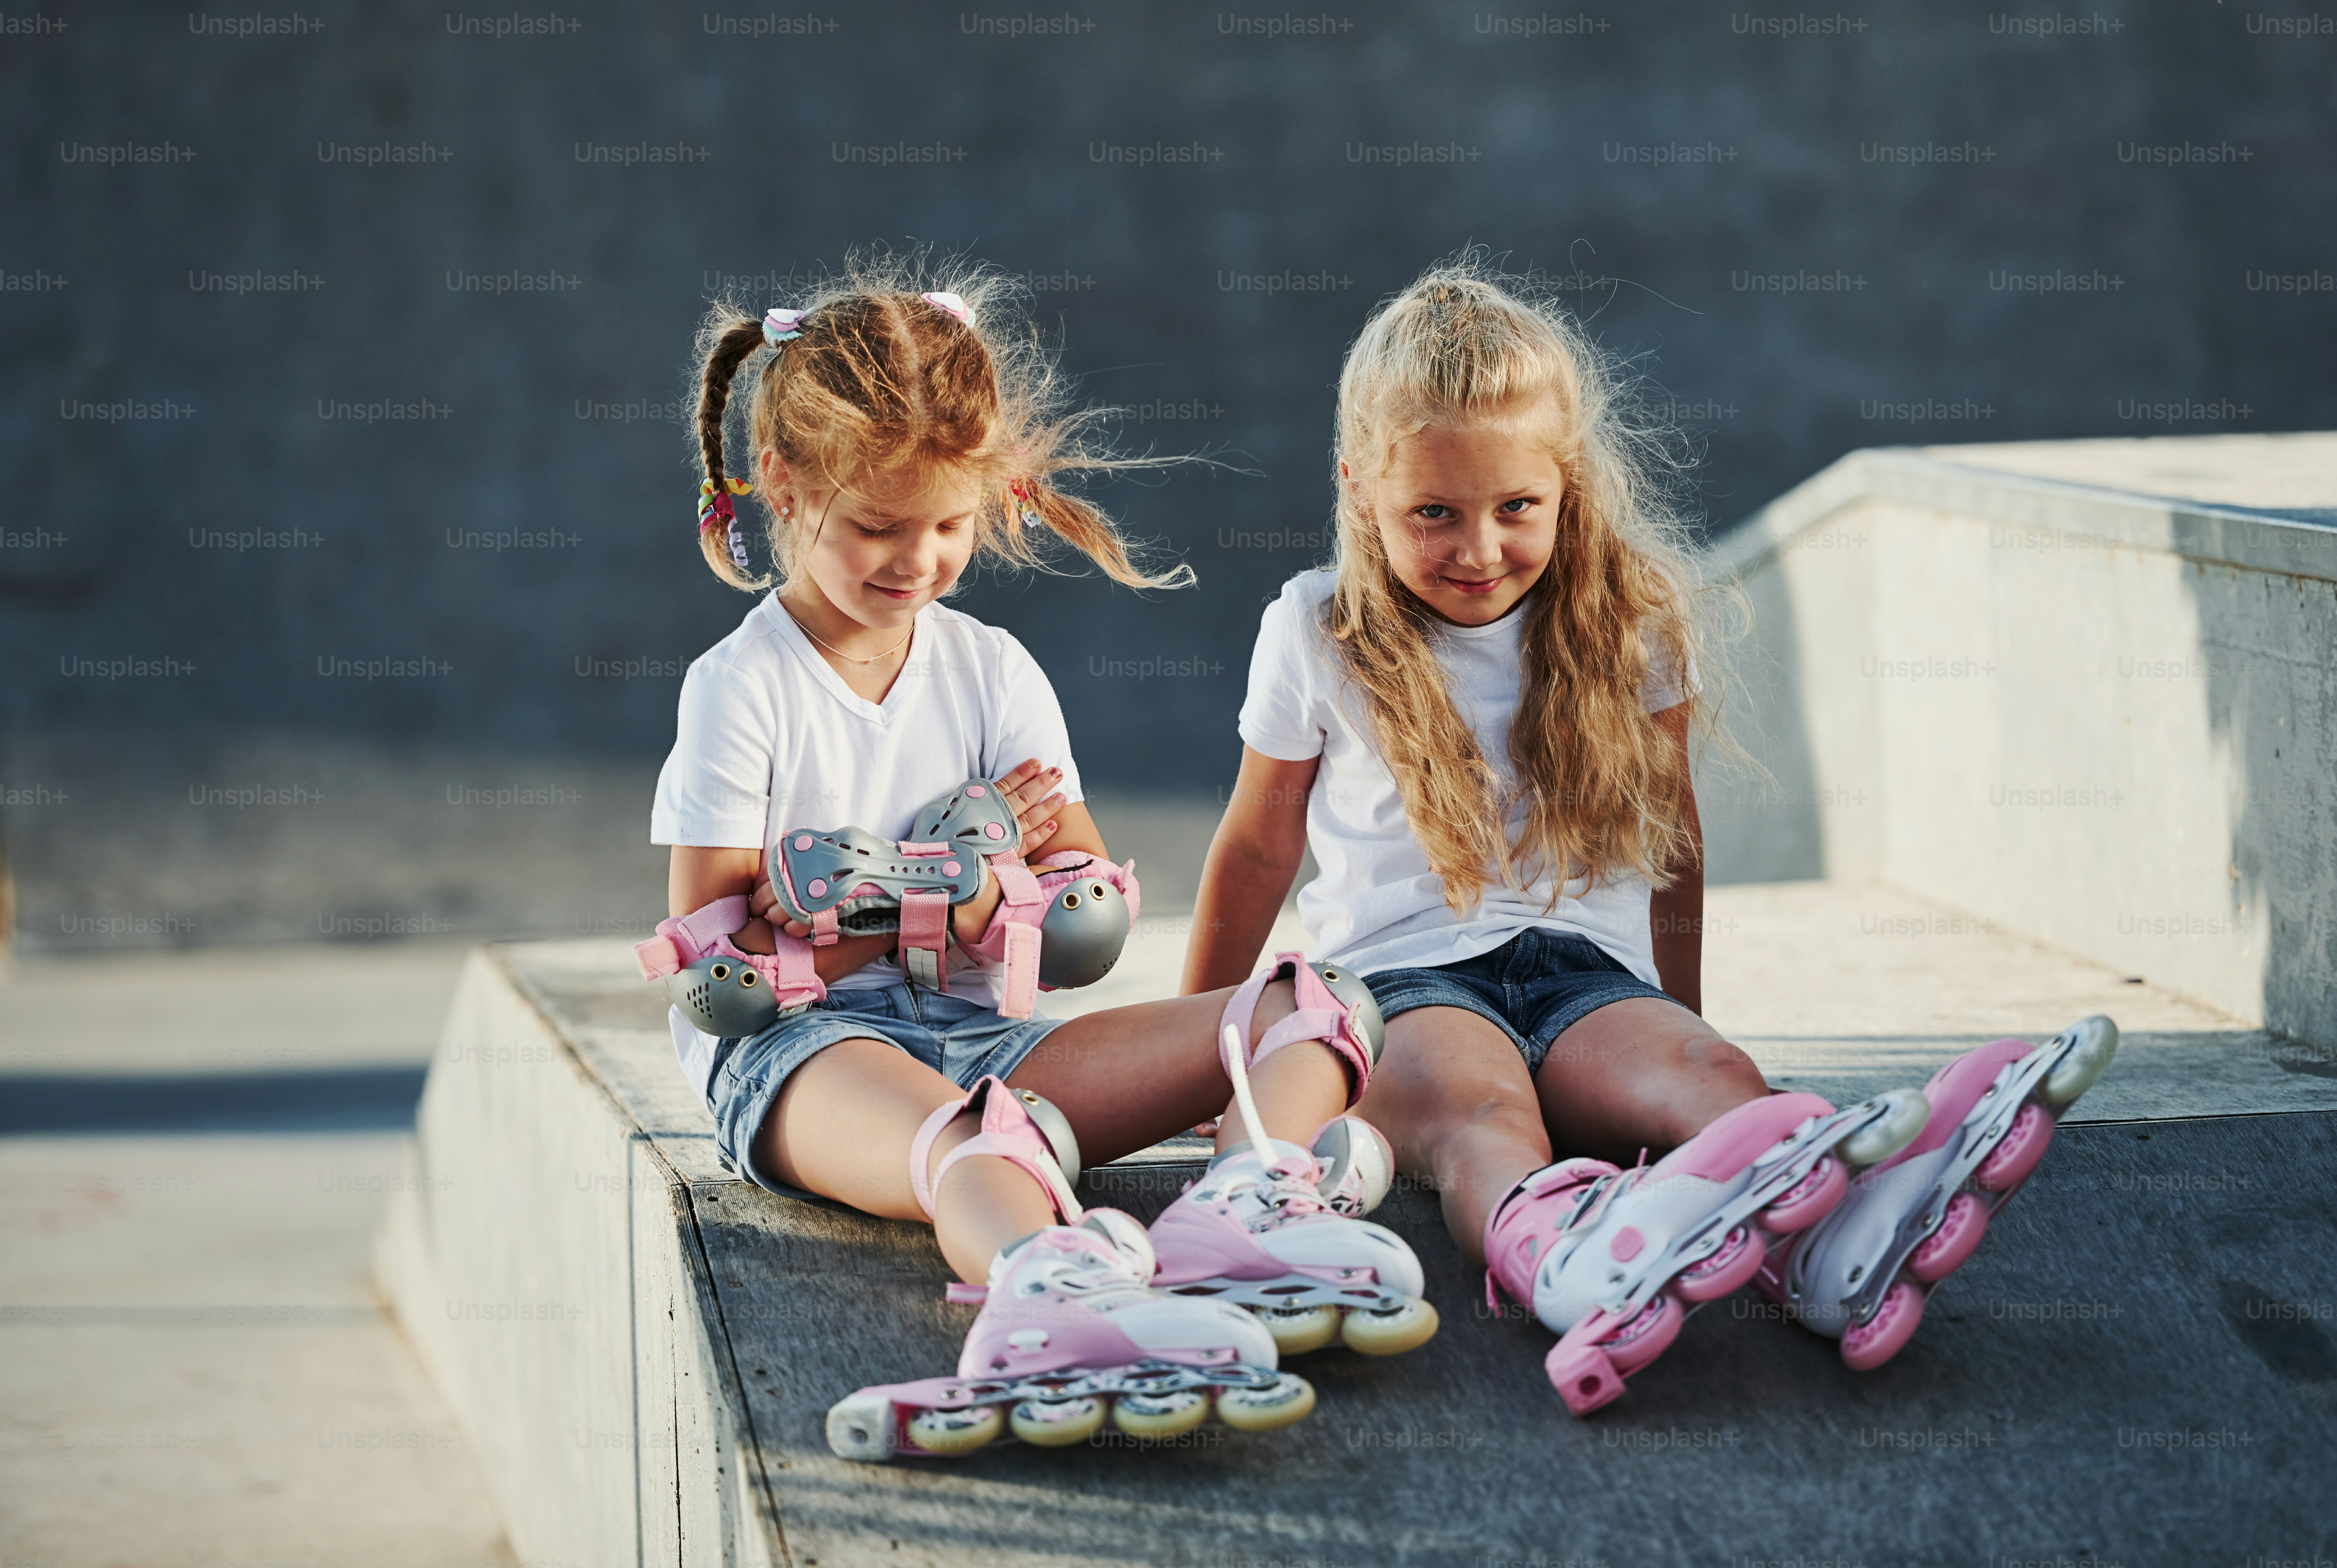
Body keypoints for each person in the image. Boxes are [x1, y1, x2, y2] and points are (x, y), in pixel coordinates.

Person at [1184, 256, 2116, 1415]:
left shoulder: (1629, 618)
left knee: (1712, 1074)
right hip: (1399, 986)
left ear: (1567, 483)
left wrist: (1686, 1011)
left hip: (1587, 977)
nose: (1479, 548)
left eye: (1516, 507)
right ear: (1360, 491)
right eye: (1435, 513)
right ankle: (1567, 1259)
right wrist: (1204, 1049)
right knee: (1486, 1119)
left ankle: (1831, 1242)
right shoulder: (1316, 626)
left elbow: (1674, 841)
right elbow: (1257, 846)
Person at [638, 253, 1432, 1462]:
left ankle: (1240, 1209)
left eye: (950, 525)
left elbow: (1082, 930)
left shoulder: (993, 670)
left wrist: (948, 886)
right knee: (980, 1138)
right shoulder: (740, 688)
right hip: (806, 1061)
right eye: (877, 527)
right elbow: (719, 973)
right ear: (786, 491)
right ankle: (1043, 1293)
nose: (916, 561)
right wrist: (954, 886)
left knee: (1306, 1007)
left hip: (989, 1039)